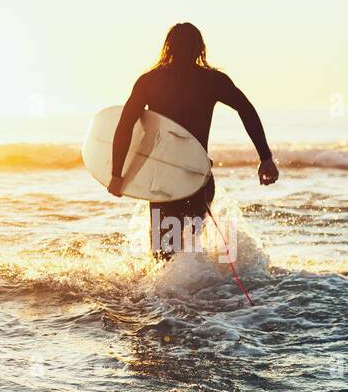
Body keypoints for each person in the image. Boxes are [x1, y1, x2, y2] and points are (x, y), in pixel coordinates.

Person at [108, 23, 278, 258]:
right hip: (197, 175)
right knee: (191, 247)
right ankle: (199, 288)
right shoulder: (212, 81)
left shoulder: (149, 82)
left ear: (168, 47)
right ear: (200, 48)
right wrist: (265, 157)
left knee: (164, 255)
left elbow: (125, 126)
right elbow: (246, 110)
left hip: (163, 180)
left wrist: (117, 175)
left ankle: (168, 291)